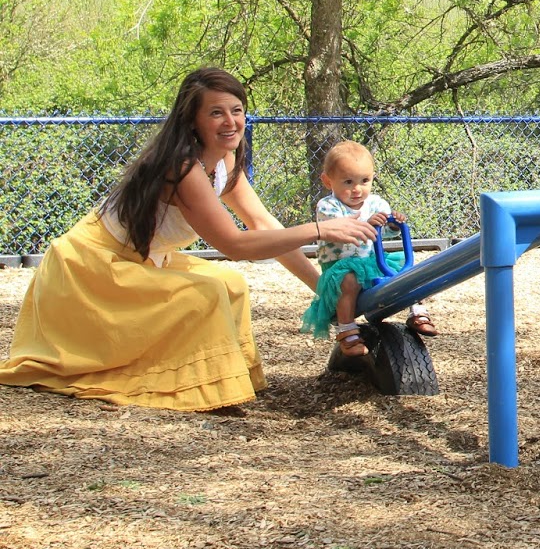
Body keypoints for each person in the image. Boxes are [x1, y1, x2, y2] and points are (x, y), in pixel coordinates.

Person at [0, 68, 372, 411]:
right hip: (92, 267)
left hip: (143, 259)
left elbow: (262, 223)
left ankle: (222, 379)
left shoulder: (224, 161)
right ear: (192, 120)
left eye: (237, 109)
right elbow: (234, 245)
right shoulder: (182, 167)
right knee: (206, 294)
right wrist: (320, 229)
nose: (230, 121)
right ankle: (195, 387)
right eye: (216, 113)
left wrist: (323, 288)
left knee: (229, 284)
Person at [299, 139, 438, 358]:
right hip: (341, 265)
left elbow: (386, 234)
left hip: (372, 260)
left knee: (408, 268)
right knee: (349, 280)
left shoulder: (376, 203)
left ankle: (417, 312)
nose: (357, 189)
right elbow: (342, 229)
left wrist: (392, 223)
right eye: (348, 182)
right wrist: (368, 224)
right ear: (328, 181)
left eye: (364, 180)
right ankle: (346, 330)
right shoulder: (328, 206)